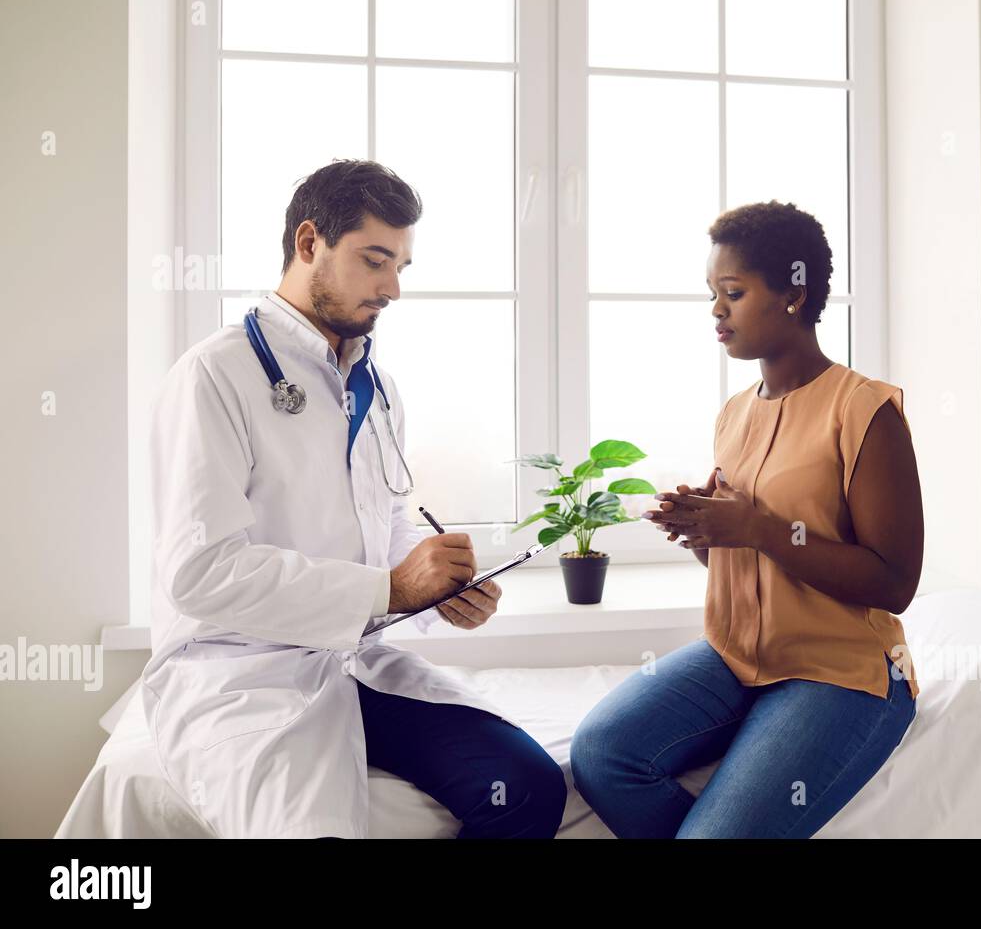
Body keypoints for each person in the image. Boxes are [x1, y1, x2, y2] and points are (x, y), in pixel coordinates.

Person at [142, 159, 566, 839]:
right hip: (246, 672)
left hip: (353, 661)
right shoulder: (213, 377)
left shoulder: (377, 385)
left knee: (527, 788)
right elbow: (202, 573)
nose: (393, 287)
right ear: (310, 243)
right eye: (375, 260)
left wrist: (434, 582)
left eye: (401, 265)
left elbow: (386, 522)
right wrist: (390, 588)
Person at [569, 200, 924, 838]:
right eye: (712, 293)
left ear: (794, 295)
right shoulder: (735, 414)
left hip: (839, 671)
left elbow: (894, 581)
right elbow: (740, 557)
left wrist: (756, 529)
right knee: (601, 753)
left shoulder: (865, 412)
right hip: (734, 656)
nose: (715, 310)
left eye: (732, 292)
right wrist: (706, 530)